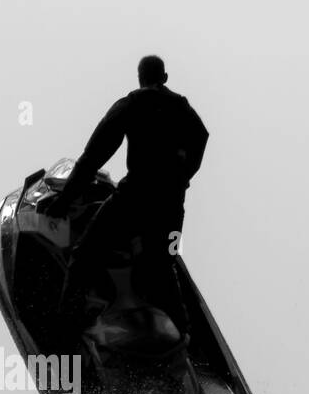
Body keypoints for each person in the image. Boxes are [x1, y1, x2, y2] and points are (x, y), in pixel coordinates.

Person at [46, 55, 209, 335]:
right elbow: (202, 137)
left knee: (84, 256)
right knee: (163, 267)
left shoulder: (131, 104)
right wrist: (182, 178)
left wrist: (64, 200)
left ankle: (64, 337)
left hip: (132, 199)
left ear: (139, 77)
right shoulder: (183, 108)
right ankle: (185, 338)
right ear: (165, 77)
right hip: (172, 208)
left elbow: (93, 156)